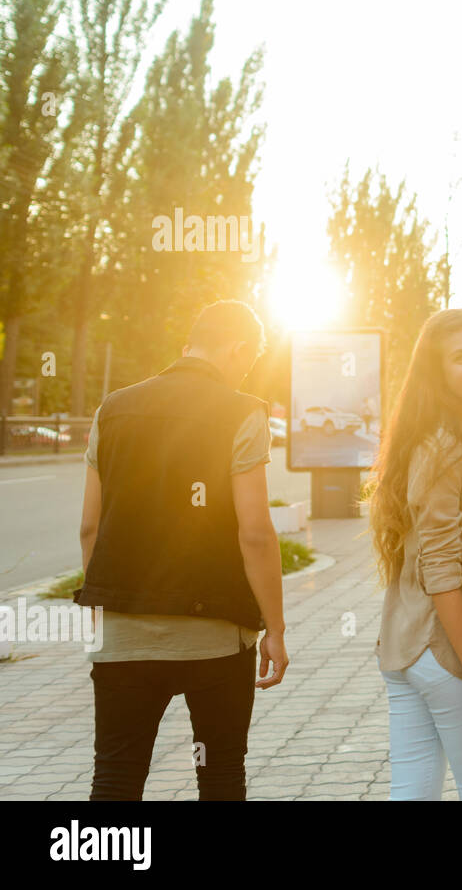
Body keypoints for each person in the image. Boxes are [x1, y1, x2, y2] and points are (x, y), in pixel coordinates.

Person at [76, 300, 288, 800]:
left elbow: (89, 527)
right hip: (215, 637)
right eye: (248, 361)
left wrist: (106, 603)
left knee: (115, 775)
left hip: (123, 636)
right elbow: (254, 532)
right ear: (237, 349)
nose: (243, 374)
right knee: (218, 774)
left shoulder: (113, 409)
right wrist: (274, 629)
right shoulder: (241, 411)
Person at [368, 309, 462, 800]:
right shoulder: (444, 446)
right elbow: (441, 573)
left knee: (414, 792)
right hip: (445, 655)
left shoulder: (456, 438)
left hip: (408, 648)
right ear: (437, 371)